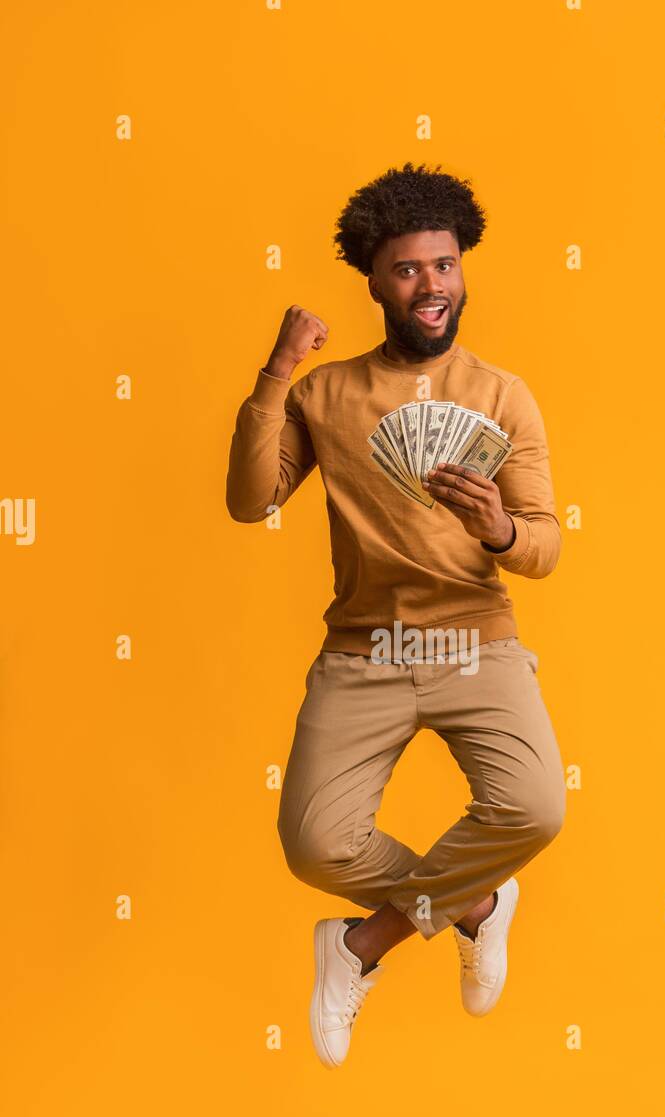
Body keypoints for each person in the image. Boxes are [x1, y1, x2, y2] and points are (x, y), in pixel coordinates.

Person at [226, 161, 565, 1068]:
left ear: (463, 270)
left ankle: (361, 945)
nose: (431, 287)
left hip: (476, 637)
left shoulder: (504, 395)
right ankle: (478, 906)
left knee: (534, 809)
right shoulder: (326, 394)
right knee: (310, 841)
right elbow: (249, 500)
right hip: (364, 649)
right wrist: (277, 371)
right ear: (373, 280)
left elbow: (546, 545)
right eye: (409, 269)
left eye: (445, 266)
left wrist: (499, 528)